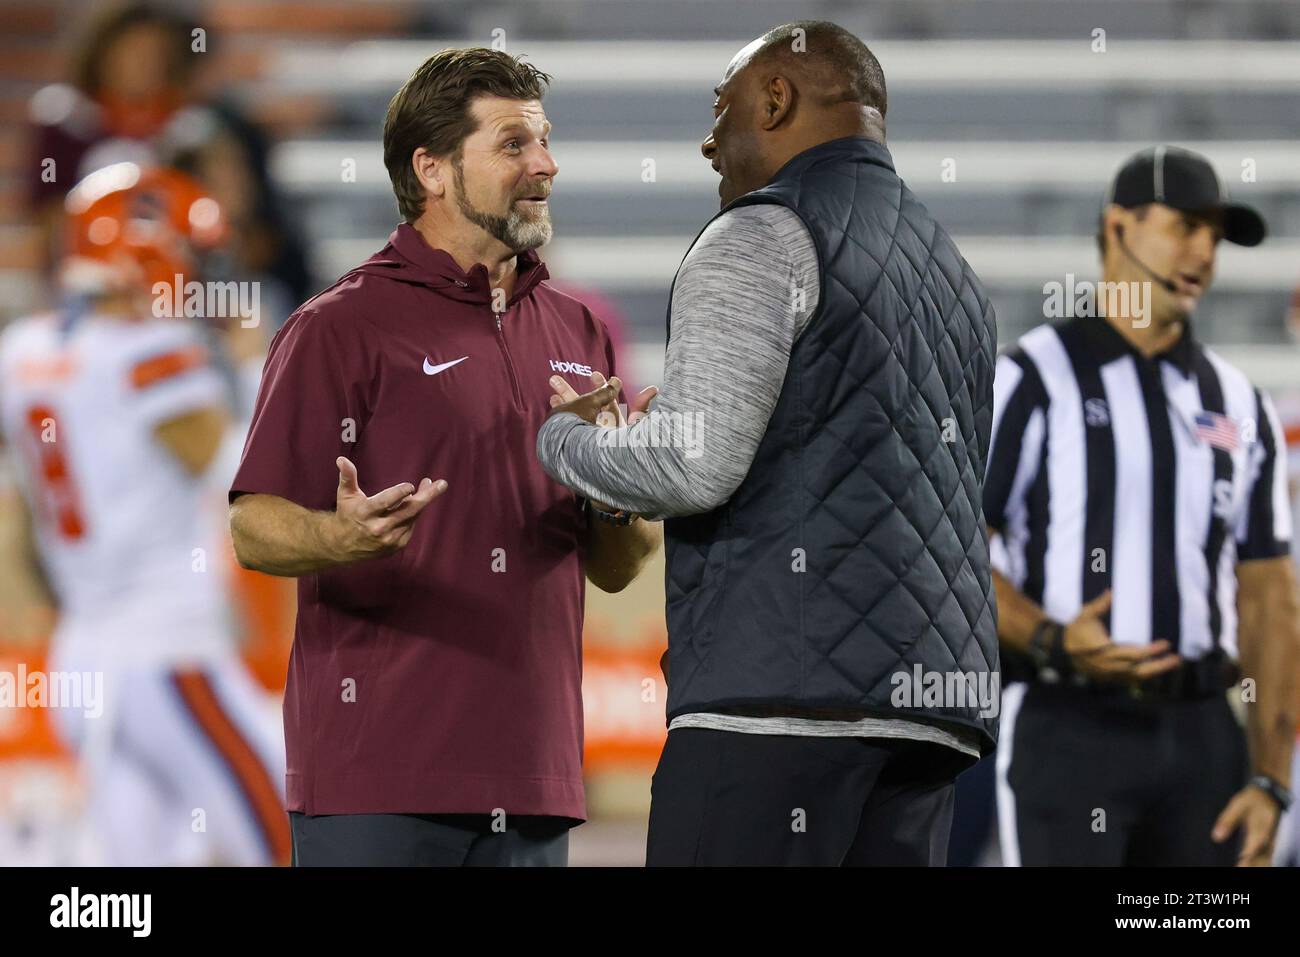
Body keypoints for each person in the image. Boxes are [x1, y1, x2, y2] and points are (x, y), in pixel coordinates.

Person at [537, 20, 999, 866]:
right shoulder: (955, 273)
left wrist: (567, 441)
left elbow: (691, 462)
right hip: (933, 715)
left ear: (776, 98)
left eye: (723, 111)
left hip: (775, 703)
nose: (709, 142)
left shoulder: (763, 233)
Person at [227, 48, 660, 867]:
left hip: (535, 778)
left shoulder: (581, 330)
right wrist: (338, 537)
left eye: (544, 141)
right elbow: (254, 526)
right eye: (513, 144)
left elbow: (619, 566)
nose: (546, 165)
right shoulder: (338, 326)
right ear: (431, 168)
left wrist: (612, 489)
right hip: (377, 777)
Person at [988, 145, 1299, 866]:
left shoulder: (1236, 402)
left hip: (1203, 733)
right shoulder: (1031, 376)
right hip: (1069, 722)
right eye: (1185, 226)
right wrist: (1051, 638)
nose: (1204, 254)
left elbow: (1268, 597)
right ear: (1119, 227)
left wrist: (1271, 776)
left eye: (1215, 237)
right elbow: (955, 552)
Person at [0, 163, 289, 866]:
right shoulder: (152, 354)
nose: (197, 271)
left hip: (87, 654)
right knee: (296, 826)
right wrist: (255, 369)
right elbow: (238, 477)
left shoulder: (24, 349)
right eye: (190, 252)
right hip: (167, 654)